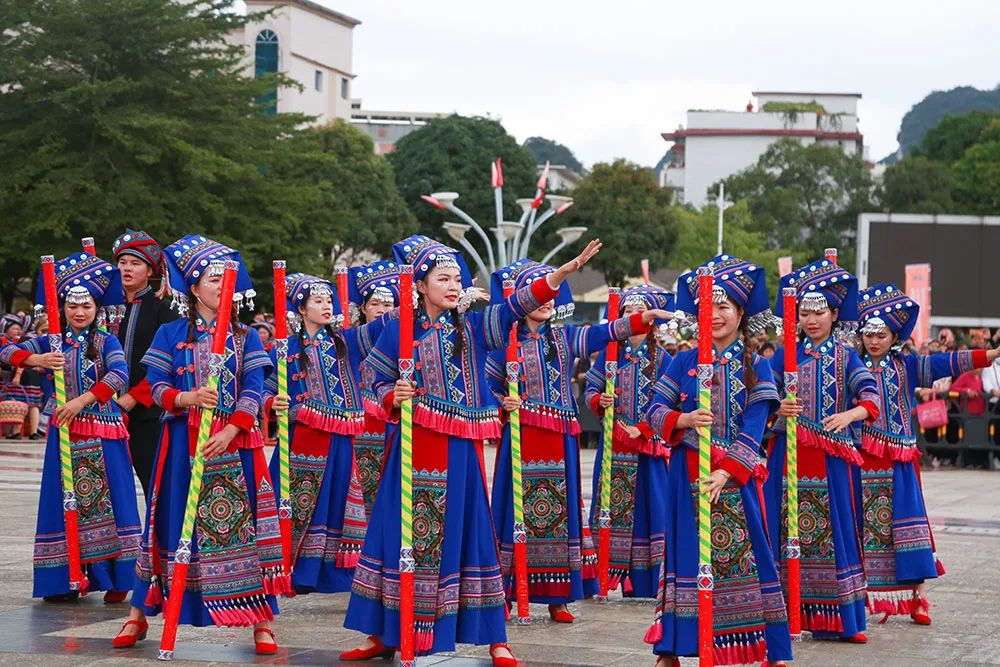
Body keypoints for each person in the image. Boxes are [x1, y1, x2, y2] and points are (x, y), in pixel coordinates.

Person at [342, 235, 602, 667]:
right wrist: (395, 394)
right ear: (420, 285)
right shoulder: (399, 328)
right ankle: (385, 632)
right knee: (394, 535)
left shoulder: (476, 328)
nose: (451, 285)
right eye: (442, 278)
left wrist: (563, 272)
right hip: (412, 446)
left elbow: (517, 305)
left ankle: (494, 638)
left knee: (473, 539)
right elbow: (373, 378)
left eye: (456, 279)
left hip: (460, 451)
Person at [113, 235, 283, 655]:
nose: (220, 286)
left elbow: (254, 387)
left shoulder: (248, 339)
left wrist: (229, 431)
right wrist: (187, 398)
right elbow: (155, 387)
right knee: (166, 524)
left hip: (236, 445)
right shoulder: (172, 332)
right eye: (211, 279)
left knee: (246, 530)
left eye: (226, 279)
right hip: (181, 443)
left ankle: (260, 621)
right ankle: (139, 612)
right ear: (194, 287)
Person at [486, 262, 669, 622]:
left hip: (560, 440)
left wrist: (640, 318)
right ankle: (506, 593)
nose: (546, 301)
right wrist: (501, 404)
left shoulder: (564, 339)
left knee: (561, 515)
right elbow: (485, 385)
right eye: (538, 294)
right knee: (513, 514)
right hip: (521, 437)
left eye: (551, 295)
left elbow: (604, 333)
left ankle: (558, 597)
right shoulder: (502, 344)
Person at [644, 255, 791, 667]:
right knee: (685, 555)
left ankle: (764, 647)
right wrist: (684, 418)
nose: (717, 315)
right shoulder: (683, 361)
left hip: (734, 474)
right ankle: (673, 647)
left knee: (750, 552)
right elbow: (654, 410)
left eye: (725, 307)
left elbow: (758, 422)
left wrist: (728, 470)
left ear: (741, 313)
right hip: (686, 473)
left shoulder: (757, 366)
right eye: (710, 307)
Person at [855, 284, 1000, 624]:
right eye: (869, 334)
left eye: (882, 334)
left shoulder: (906, 366)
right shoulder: (851, 366)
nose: (875, 341)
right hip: (862, 458)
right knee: (861, 529)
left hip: (900, 460)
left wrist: (990, 355)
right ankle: (860, 598)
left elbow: (948, 361)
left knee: (909, 528)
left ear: (895, 336)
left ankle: (918, 597)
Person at [1, 253, 139, 603]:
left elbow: (120, 375)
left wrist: (82, 400)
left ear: (96, 308)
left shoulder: (106, 341)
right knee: (64, 502)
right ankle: (63, 577)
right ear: (62, 307)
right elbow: (4, 349)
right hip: (65, 432)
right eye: (73, 306)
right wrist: (35, 359)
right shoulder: (52, 341)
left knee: (111, 501)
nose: (79, 312)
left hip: (102, 430)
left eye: (87, 306)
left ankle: (118, 577)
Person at [765, 257, 878, 644]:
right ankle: (785, 612)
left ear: (834, 314)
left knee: (836, 531)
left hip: (830, 457)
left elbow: (870, 397)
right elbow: (760, 394)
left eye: (819, 312)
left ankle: (841, 620)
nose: (812, 320)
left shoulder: (846, 356)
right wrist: (777, 406)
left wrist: (849, 414)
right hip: (787, 453)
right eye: (805, 312)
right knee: (783, 528)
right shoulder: (785, 354)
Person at [263, 271, 395, 594]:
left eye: (328, 301)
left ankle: (331, 575)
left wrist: (404, 303)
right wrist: (273, 401)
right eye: (318, 301)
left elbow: (379, 327)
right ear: (302, 309)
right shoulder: (284, 349)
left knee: (337, 503)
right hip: (303, 437)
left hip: (339, 438)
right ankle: (289, 570)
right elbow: (263, 388)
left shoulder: (345, 342)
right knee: (297, 503)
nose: (326, 306)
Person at [583, 285, 673, 598]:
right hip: (614, 446)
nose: (632, 317)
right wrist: (600, 400)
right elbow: (589, 391)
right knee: (609, 509)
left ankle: (647, 583)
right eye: (627, 312)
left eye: (639, 312)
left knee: (652, 512)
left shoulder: (662, 358)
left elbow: (670, 402)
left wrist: (646, 428)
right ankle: (605, 577)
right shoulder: (609, 356)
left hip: (648, 450)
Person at [111, 230, 178, 499]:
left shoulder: (163, 309)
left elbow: (171, 362)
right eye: (122, 262)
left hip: (148, 414)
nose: (127, 268)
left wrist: (133, 398)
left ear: (150, 270)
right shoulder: (104, 307)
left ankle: (159, 540)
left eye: (135, 263)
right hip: (105, 411)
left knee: (156, 485)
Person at [347, 260, 401, 519]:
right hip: (358, 428)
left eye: (388, 305)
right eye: (375, 304)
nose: (381, 310)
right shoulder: (349, 340)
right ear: (363, 308)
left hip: (392, 425)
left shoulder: (403, 343)